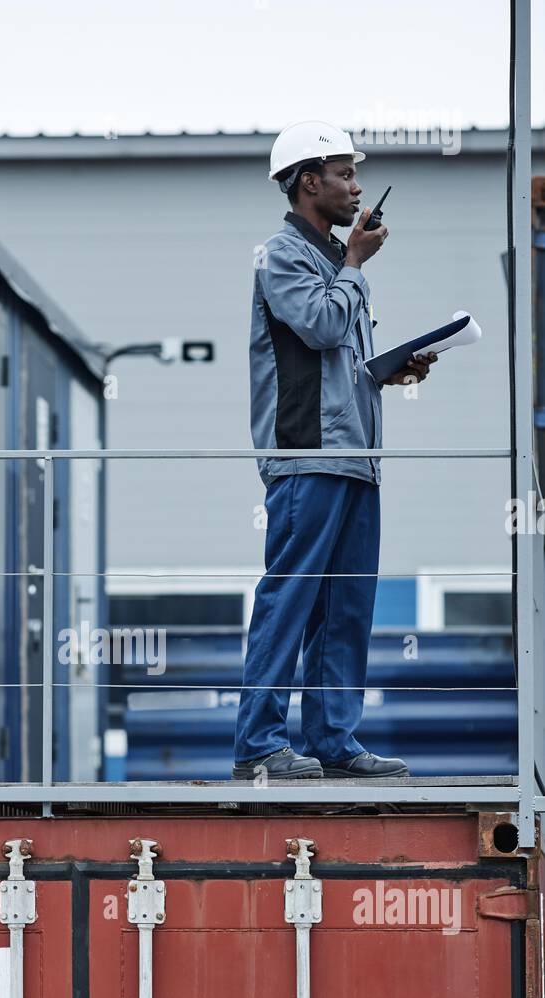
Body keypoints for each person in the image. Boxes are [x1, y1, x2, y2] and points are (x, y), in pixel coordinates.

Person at [232, 120, 437, 782]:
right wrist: (354, 263)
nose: (357, 187)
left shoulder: (334, 263)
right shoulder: (281, 256)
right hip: (306, 457)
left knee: (346, 607)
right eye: (345, 174)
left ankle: (332, 739)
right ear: (307, 182)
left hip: (355, 459)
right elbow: (319, 327)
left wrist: (392, 369)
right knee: (290, 598)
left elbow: (337, 366)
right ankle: (260, 747)